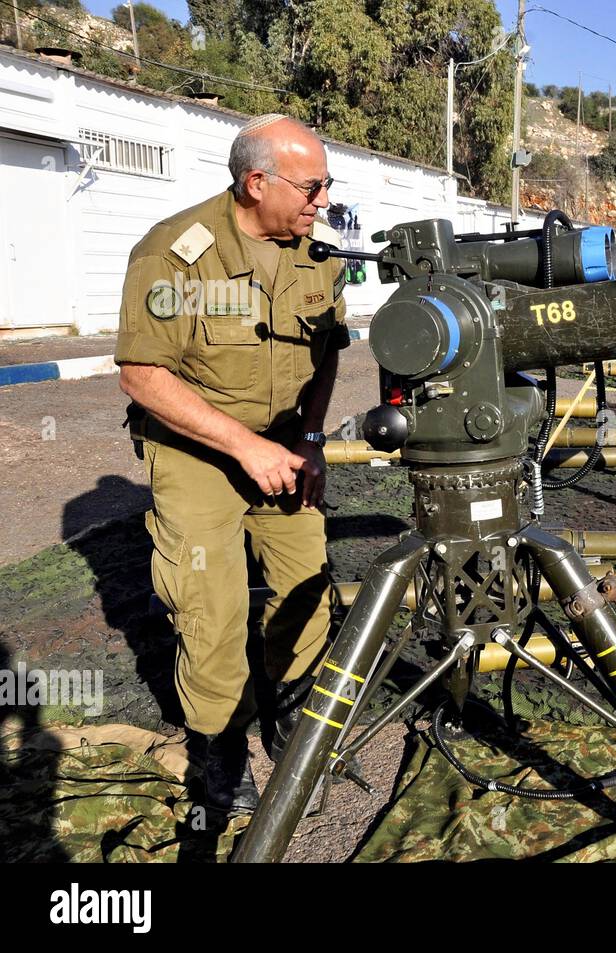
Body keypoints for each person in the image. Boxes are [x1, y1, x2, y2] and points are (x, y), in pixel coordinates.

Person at [115, 114, 350, 815]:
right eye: (312, 186)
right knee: (210, 607)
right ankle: (220, 750)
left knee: (305, 581)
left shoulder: (318, 256)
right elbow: (142, 376)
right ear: (256, 182)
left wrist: (308, 438)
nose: (323, 201)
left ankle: (293, 721)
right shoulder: (175, 255)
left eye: (327, 185)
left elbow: (330, 348)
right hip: (194, 453)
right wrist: (244, 446)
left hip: (283, 445)